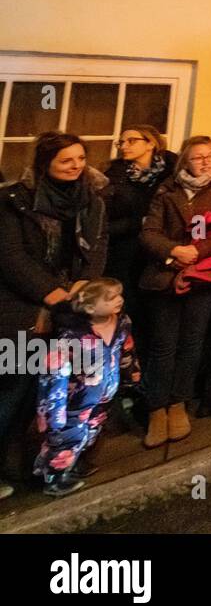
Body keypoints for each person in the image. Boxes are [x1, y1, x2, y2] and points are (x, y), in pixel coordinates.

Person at [0, 133, 109, 500]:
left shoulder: (91, 200)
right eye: (66, 160)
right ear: (45, 163)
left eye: (80, 158)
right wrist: (53, 294)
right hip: (22, 309)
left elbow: (97, 246)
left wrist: (83, 285)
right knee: (13, 387)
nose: (76, 165)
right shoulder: (15, 200)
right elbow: (11, 257)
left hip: (71, 310)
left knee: (50, 393)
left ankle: (31, 463)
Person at [138, 136, 211, 448]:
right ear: (185, 160)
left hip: (206, 273)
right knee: (163, 344)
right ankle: (156, 408)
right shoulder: (167, 188)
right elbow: (149, 232)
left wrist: (198, 251)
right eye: (199, 157)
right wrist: (174, 250)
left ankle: (179, 403)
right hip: (166, 272)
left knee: (192, 341)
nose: (206, 161)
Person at [33, 278, 138, 497]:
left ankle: (71, 464)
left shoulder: (122, 323)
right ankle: (54, 478)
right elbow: (55, 373)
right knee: (68, 436)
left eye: (119, 295)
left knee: (90, 432)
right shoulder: (73, 336)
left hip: (103, 394)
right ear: (89, 307)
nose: (119, 300)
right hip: (76, 398)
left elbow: (126, 349)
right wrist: (54, 410)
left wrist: (131, 374)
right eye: (110, 298)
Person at [102, 125, 175, 356]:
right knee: (130, 311)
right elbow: (103, 223)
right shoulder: (113, 176)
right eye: (121, 142)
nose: (124, 146)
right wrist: (137, 223)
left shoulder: (171, 173)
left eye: (131, 141)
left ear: (151, 142)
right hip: (125, 253)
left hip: (160, 253)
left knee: (160, 317)